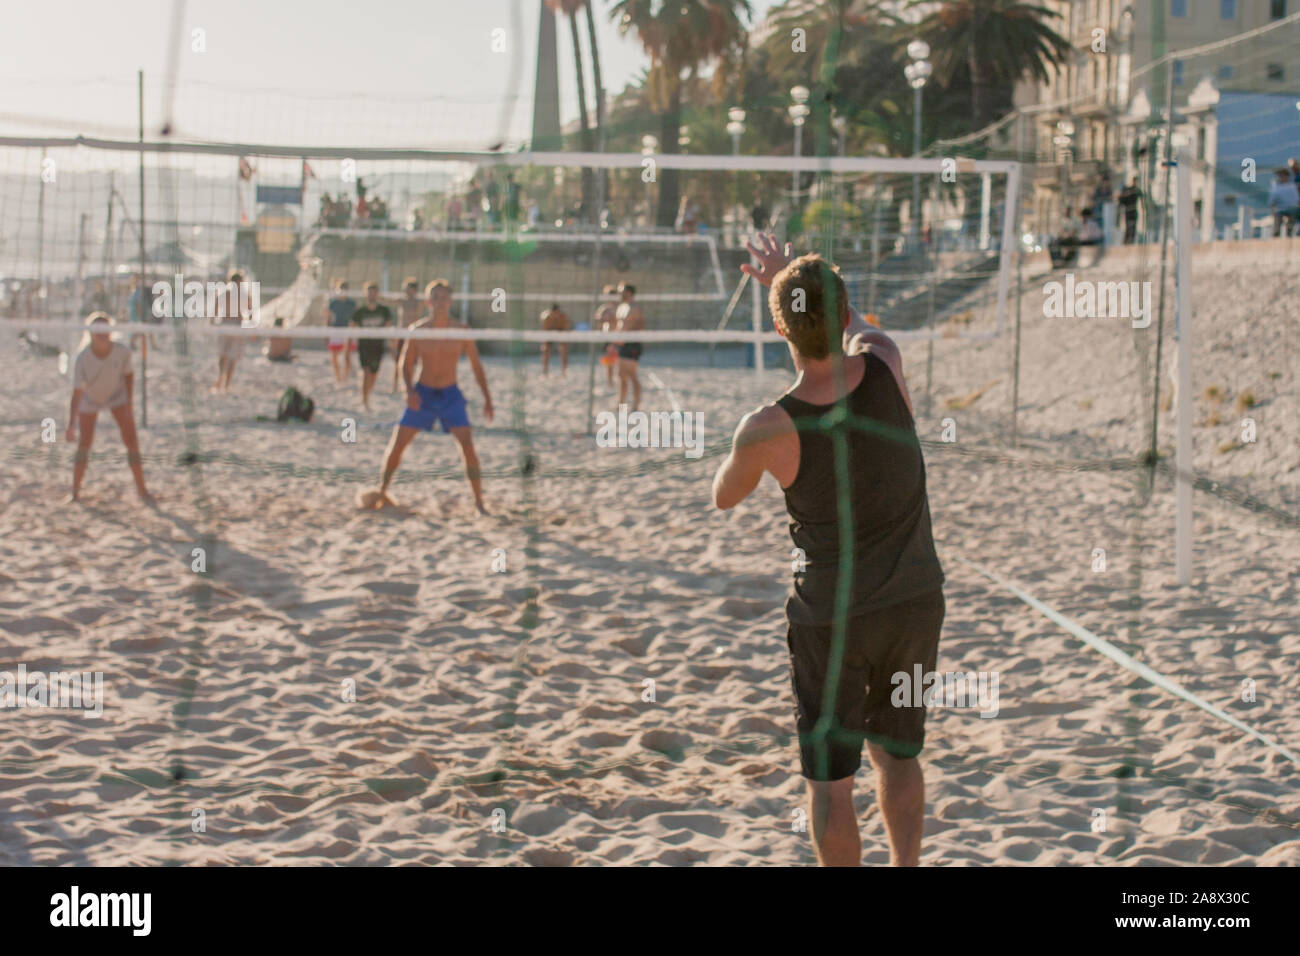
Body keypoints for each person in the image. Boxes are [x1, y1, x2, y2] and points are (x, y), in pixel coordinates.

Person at [712, 233, 944, 867]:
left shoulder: (766, 427)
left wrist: (788, 298)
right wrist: (800, 287)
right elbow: (856, 326)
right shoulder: (884, 361)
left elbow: (723, 498)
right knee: (898, 756)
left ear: (782, 328)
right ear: (842, 315)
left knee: (830, 783)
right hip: (914, 602)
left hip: (831, 620)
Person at [371, 280, 494, 515]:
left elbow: (477, 367)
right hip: (423, 393)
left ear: (451, 301)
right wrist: (409, 391)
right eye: (435, 297)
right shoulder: (418, 331)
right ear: (428, 302)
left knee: (468, 446)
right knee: (398, 444)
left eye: (444, 297)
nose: (440, 302)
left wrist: (488, 399)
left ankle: (479, 503)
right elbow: (404, 365)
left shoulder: (462, 331)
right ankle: (382, 492)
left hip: (450, 394)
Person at [66, 313, 153, 504]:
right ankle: (75, 492)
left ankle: (142, 490)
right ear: (90, 334)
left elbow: (129, 376)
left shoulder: (122, 352)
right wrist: (71, 424)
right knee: (85, 443)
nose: (102, 334)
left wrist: (129, 405)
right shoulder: (82, 358)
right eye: (97, 331)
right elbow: (77, 393)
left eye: (105, 330)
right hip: (91, 397)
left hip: (116, 395)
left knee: (131, 439)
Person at [351, 281, 394, 411]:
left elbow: (389, 328)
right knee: (366, 372)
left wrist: (392, 346)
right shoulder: (360, 311)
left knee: (374, 375)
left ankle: (367, 394)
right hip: (364, 346)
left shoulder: (384, 311)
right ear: (366, 294)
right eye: (369, 293)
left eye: (374, 293)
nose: (372, 295)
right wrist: (349, 346)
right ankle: (364, 400)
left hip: (378, 346)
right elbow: (351, 328)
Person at [212, 269, 247, 393]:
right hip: (236, 325)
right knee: (231, 358)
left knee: (223, 356)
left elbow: (214, 313)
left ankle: (221, 379)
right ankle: (226, 384)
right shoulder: (243, 295)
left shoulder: (223, 294)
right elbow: (250, 313)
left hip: (225, 325)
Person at [613, 282, 645, 411]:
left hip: (632, 343)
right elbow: (620, 325)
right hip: (622, 343)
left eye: (621, 291)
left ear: (629, 293)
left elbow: (641, 326)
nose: (619, 294)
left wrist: (628, 337)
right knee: (621, 375)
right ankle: (621, 403)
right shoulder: (622, 307)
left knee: (632, 375)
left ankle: (636, 405)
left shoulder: (635, 308)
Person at [392, 278, 424, 392]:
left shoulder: (419, 302)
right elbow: (386, 300)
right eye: (405, 289)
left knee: (413, 363)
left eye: (409, 289)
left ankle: (409, 385)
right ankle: (395, 385)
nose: (407, 291)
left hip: (413, 335)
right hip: (401, 334)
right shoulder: (402, 301)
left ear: (414, 290)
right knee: (398, 361)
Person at [325, 279, 356, 383]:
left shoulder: (351, 303)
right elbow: (328, 317)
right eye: (341, 288)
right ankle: (338, 377)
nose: (343, 290)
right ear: (338, 289)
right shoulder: (333, 302)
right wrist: (326, 331)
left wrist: (354, 331)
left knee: (347, 356)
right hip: (335, 330)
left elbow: (354, 318)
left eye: (345, 289)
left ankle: (345, 378)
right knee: (334, 356)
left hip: (347, 330)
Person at [594, 285, 619, 388]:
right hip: (608, 337)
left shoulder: (620, 307)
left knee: (620, 361)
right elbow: (598, 318)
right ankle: (610, 382)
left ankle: (618, 381)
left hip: (618, 337)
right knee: (609, 361)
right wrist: (604, 318)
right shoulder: (605, 308)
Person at [1267, 167, 1300, 238]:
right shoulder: (1276, 187)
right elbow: (1272, 200)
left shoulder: (1291, 186)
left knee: (1291, 221)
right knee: (1277, 220)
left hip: (1292, 209)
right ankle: (1276, 236)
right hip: (1280, 209)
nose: (1281, 177)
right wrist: (1272, 209)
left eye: (1282, 175)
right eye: (1280, 175)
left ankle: (1289, 235)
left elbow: (1297, 199)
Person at [539, 302, 570, 376]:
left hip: (560, 333)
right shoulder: (546, 317)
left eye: (557, 313)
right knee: (545, 349)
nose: (556, 315)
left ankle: (564, 371)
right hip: (550, 334)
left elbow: (566, 329)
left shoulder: (563, 317)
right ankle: (545, 371)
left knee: (564, 349)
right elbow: (545, 330)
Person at [1118, 178, 1142, 244]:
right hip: (1128, 210)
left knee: (1133, 227)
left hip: (1133, 210)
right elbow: (1121, 200)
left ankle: (1131, 241)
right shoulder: (1128, 190)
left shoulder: (1137, 190)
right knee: (1128, 226)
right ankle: (1126, 241)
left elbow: (1142, 198)